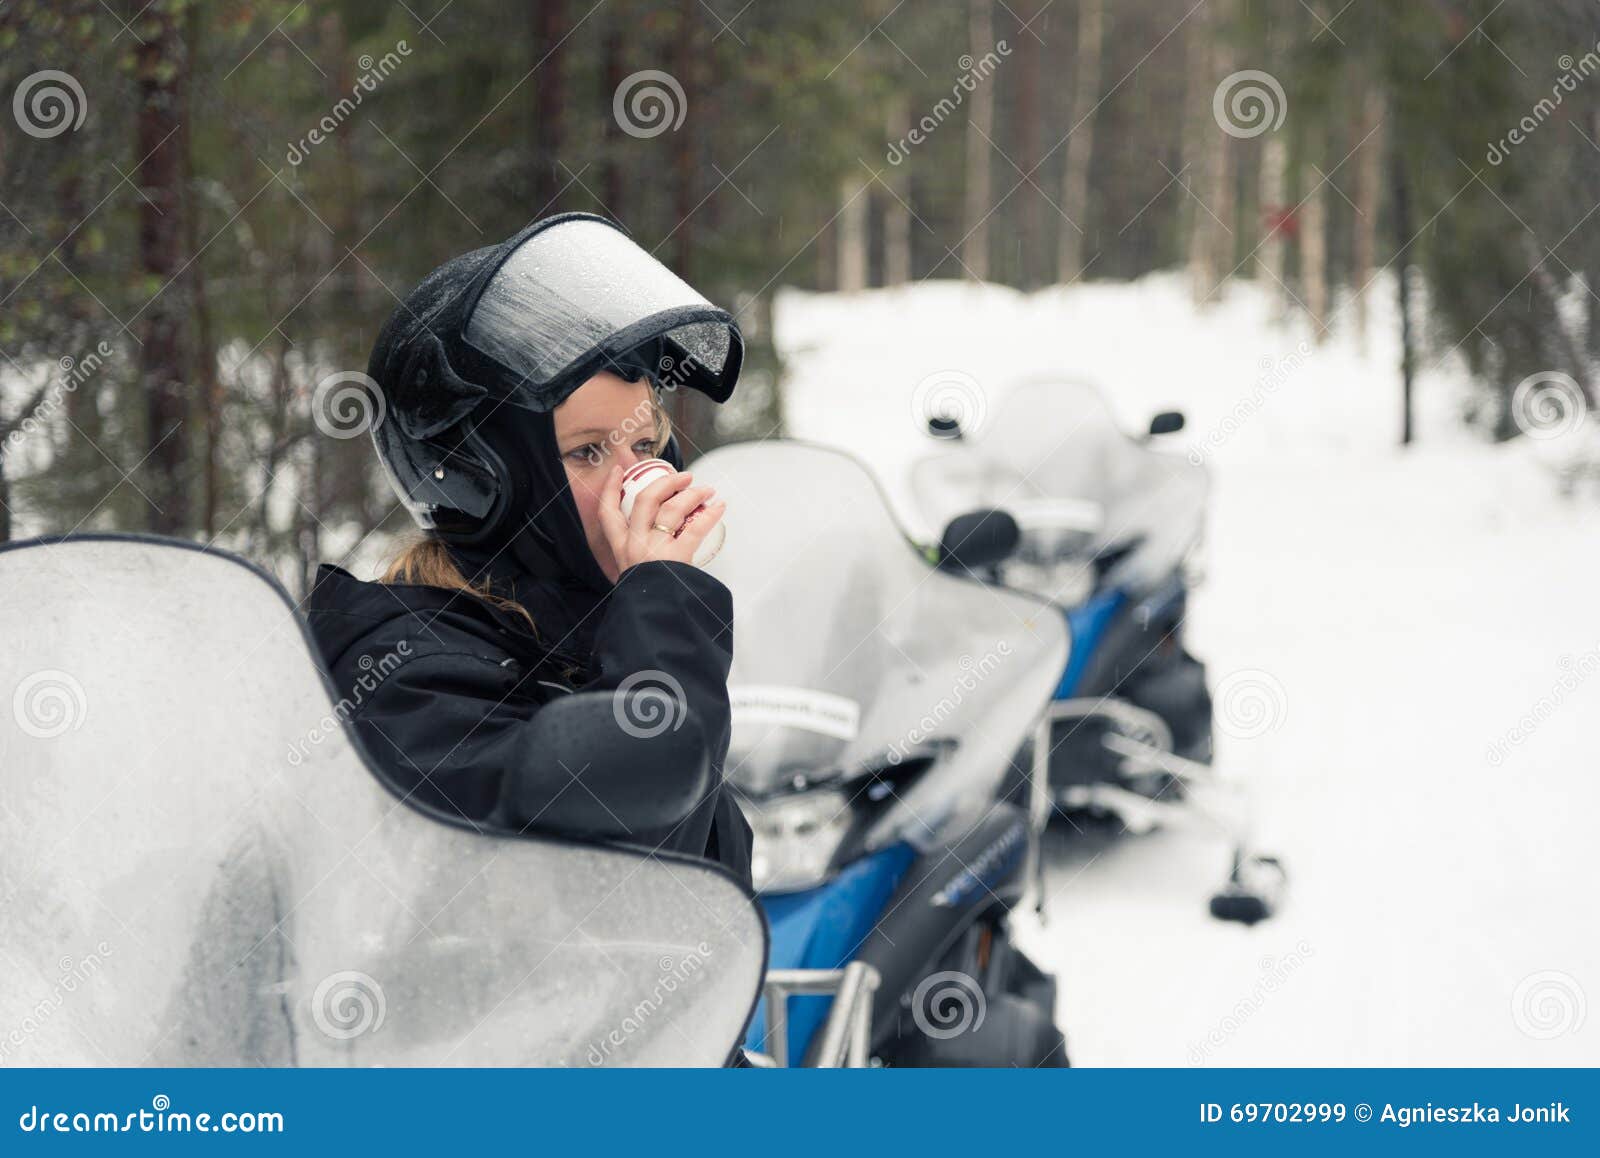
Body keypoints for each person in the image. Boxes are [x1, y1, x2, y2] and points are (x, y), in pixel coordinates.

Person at [304, 213, 752, 886]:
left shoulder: (590, 637)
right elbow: (629, 869)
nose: (638, 480)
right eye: (586, 452)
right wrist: (663, 601)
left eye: (645, 445)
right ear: (483, 481)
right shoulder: (410, 676)